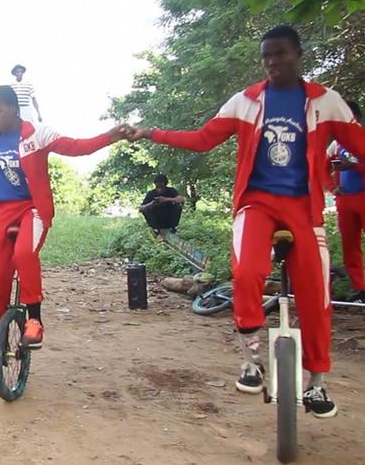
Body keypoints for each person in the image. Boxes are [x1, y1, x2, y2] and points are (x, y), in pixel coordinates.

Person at [128, 25, 365, 418]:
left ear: (298, 54)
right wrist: (150, 132)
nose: (273, 62)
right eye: (266, 56)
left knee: (316, 292)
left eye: (280, 54)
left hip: (303, 210)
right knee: (247, 271)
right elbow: (203, 138)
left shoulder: (327, 102)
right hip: (255, 205)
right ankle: (251, 358)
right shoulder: (247, 101)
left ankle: (317, 383)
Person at [0, 86, 129, 368]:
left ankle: (35, 321)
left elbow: (79, 147)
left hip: (33, 209)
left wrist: (112, 136)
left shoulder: (38, 135)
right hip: (0, 213)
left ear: (13, 109)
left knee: (23, 255)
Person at [328, 100, 365, 303]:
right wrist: (332, 187)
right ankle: (360, 288)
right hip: (345, 199)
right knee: (350, 246)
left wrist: (355, 165)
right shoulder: (336, 144)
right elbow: (321, 168)